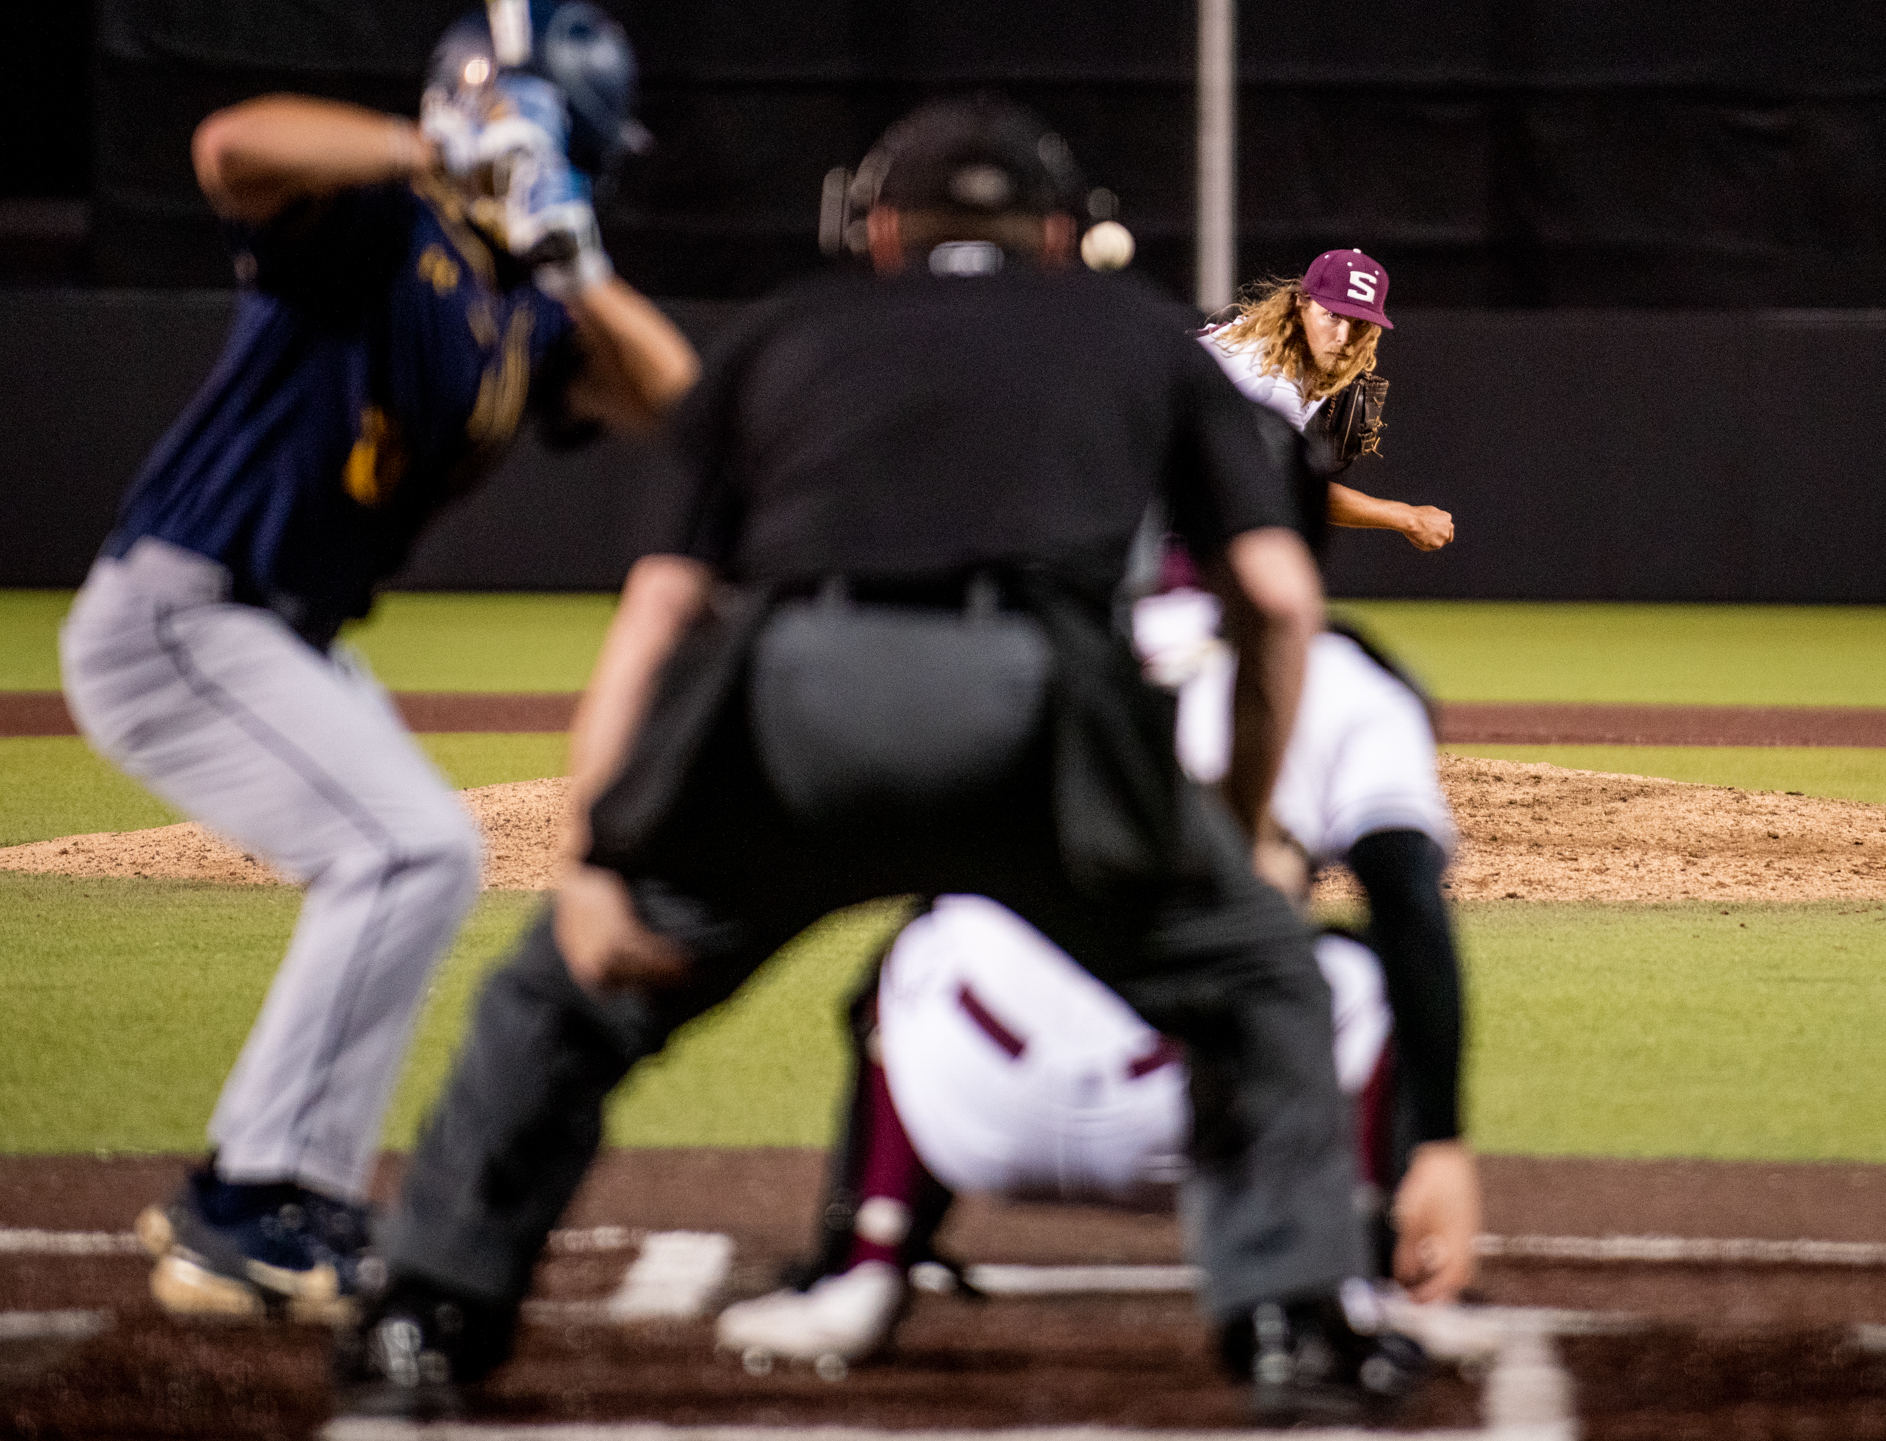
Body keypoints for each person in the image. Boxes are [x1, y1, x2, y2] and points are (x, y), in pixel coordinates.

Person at [346, 92, 1426, 1422]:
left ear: (878, 227)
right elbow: (1275, 598)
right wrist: (1238, 831)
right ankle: (1289, 1328)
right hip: (1043, 714)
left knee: (565, 997)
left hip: (799, 706)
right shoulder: (1146, 339)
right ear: (1056, 235)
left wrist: (594, 861)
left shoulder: (776, 338)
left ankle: (428, 1317)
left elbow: (663, 616)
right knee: (1264, 981)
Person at [59, 2, 699, 1324]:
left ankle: (274, 1192)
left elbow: (678, 401)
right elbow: (234, 146)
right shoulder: (379, 221)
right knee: (410, 850)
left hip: (277, 630)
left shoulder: (525, 292)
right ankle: (254, 1204)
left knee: (417, 854)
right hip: (184, 607)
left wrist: (573, 265)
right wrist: (432, 150)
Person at [714, 583, 1477, 1367]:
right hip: (1209, 1114)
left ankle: (861, 1266)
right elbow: (1408, 899)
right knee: (1361, 971)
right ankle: (1342, 1282)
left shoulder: (1016, 641)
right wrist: (1443, 1143)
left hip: (977, 1102)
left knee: (929, 936)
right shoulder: (1343, 671)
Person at [1201, 252, 1455, 552]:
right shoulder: (1270, 378)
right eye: (1333, 315)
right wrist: (1407, 517)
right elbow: (1286, 485)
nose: (1343, 337)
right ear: (1301, 303)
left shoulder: (1286, 346)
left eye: (1359, 323)